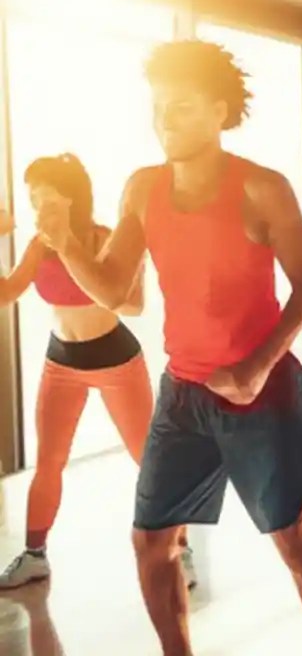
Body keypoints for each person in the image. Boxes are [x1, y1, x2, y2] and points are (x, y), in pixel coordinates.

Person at [34, 40, 302, 656]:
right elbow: (113, 285)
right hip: (182, 394)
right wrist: (67, 243)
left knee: (292, 541)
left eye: (179, 108)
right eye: (157, 109)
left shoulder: (262, 188)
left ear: (218, 109)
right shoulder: (142, 189)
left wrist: (259, 365)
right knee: (151, 540)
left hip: (264, 395)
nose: (164, 122)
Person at [0, 155, 193, 591]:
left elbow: (134, 305)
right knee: (49, 462)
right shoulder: (37, 245)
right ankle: (35, 555)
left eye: (43, 195)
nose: (35, 205)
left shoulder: (106, 238)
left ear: (70, 199)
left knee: (150, 459)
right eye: (31, 197)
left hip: (115, 359)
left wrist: (76, 258)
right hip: (61, 361)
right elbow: (7, 292)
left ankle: (181, 547)